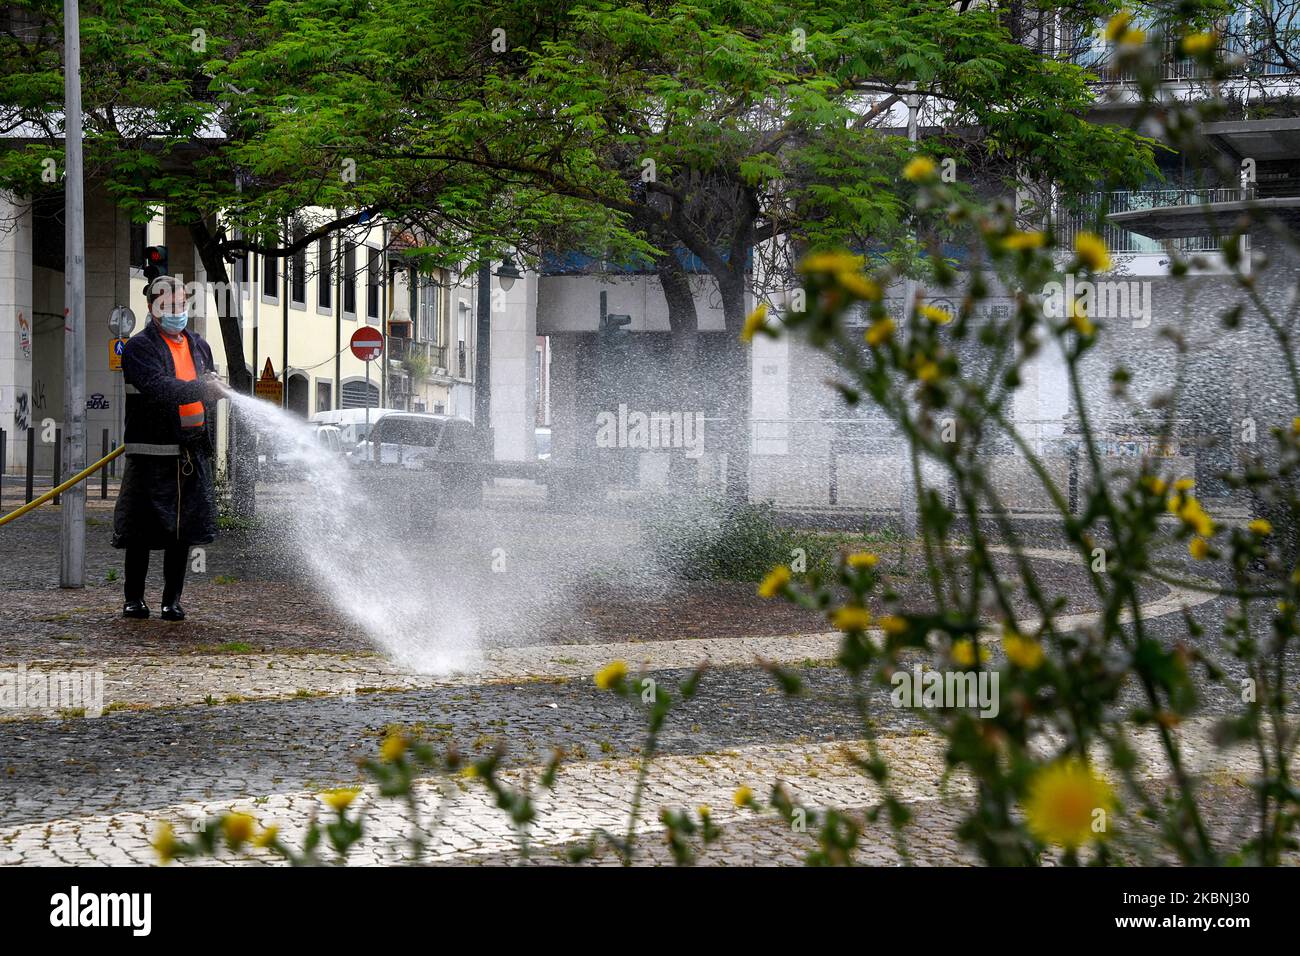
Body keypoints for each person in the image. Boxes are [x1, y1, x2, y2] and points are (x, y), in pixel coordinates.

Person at [111, 275, 226, 620]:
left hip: (190, 453)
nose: (177, 311)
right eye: (168, 305)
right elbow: (159, 386)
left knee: (183, 530)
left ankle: (171, 600)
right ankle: (134, 598)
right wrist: (201, 390)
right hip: (151, 452)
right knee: (141, 530)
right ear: (152, 308)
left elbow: (206, 387)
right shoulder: (140, 348)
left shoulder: (199, 346)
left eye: (181, 305)